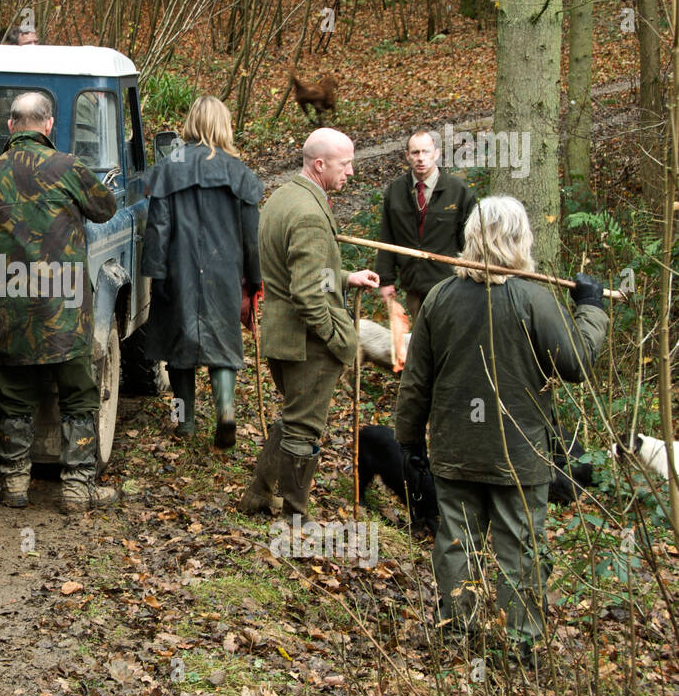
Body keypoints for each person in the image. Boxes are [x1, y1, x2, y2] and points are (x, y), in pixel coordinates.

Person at [395, 197, 606, 662]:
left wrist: (407, 438)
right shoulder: (533, 298)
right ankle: (520, 645)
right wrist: (592, 309)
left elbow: (416, 382)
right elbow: (576, 361)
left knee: (457, 544)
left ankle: (459, 636)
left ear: (472, 238)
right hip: (518, 453)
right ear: (519, 240)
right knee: (518, 551)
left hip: (461, 450)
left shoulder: (441, 297)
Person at [0, 91, 118, 514]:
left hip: (13, 301)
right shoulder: (69, 167)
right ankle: (76, 491)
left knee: (14, 397)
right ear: (48, 125)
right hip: (65, 302)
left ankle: (15, 484)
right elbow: (106, 208)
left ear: (12, 125)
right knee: (79, 399)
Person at [238, 128, 380, 520]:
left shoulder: (285, 196)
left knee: (293, 418)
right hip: (307, 343)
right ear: (320, 164)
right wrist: (340, 340)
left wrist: (344, 276)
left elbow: (296, 272)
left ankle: (258, 496)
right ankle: (295, 517)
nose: (351, 171)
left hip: (283, 336)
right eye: (345, 163)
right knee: (304, 430)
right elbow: (307, 294)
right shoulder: (309, 215)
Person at [141, 95, 263, 448]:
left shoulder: (169, 166)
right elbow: (250, 236)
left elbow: (158, 228)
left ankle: (184, 422)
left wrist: (156, 273)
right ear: (223, 125)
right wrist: (254, 279)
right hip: (224, 275)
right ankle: (226, 412)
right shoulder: (238, 171)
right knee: (223, 346)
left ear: (191, 123)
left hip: (176, 272)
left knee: (177, 350)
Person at [375, 128, 478, 318]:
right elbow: (387, 238)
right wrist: (385, 280)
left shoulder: (458, 191)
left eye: (426, 152)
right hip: (413, 287)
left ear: (436, 154)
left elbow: (471, 241)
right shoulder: (395, 191)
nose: (421, 158)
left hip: (449, 286)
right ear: (407, 156)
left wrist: (472, 280)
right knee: (420, 341)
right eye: (415, 152)